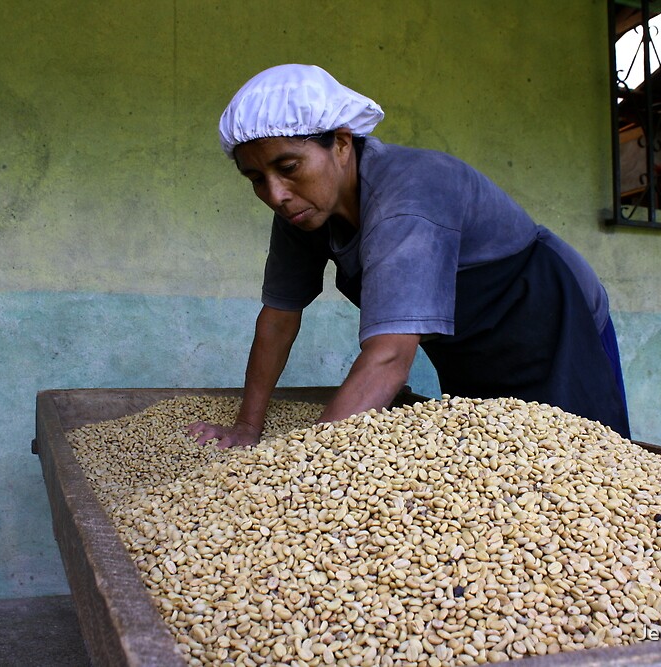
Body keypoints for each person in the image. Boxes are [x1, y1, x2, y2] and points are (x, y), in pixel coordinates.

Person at [187, 64, 630, 448]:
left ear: (341, 144)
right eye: (255, 179)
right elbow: (280, 316)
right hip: (472, 345)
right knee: (496, 468)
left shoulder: (408, 197)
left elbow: (389, 358)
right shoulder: (302, 211)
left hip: (553, 321)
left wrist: (302, 468)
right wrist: (247, 426)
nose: (276, 194)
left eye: (288, 168)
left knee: (586, 467)